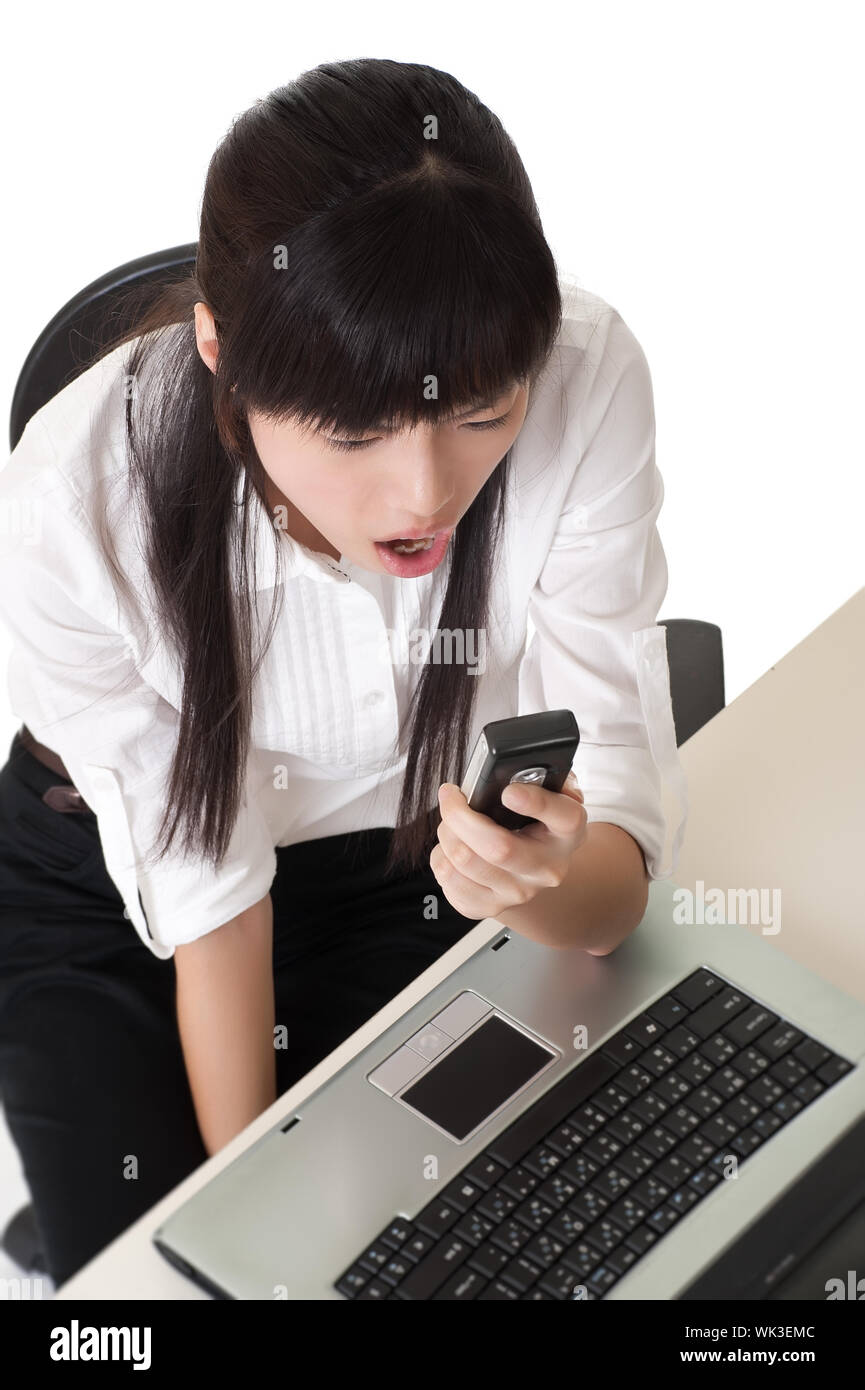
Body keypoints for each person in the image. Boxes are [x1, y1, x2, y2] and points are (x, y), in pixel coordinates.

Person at [0, 57, 685, 1291]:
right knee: (157, 1288)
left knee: (467, 1228)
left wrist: (543, 884)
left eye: (483, 408)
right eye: (356, 435)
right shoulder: (68, 501)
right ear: (219, 350)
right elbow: (212, 898)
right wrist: (255, 1227)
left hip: (394, 857)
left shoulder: (592, 379)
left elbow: (616, 871)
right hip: (103, 883)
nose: (424, 494)